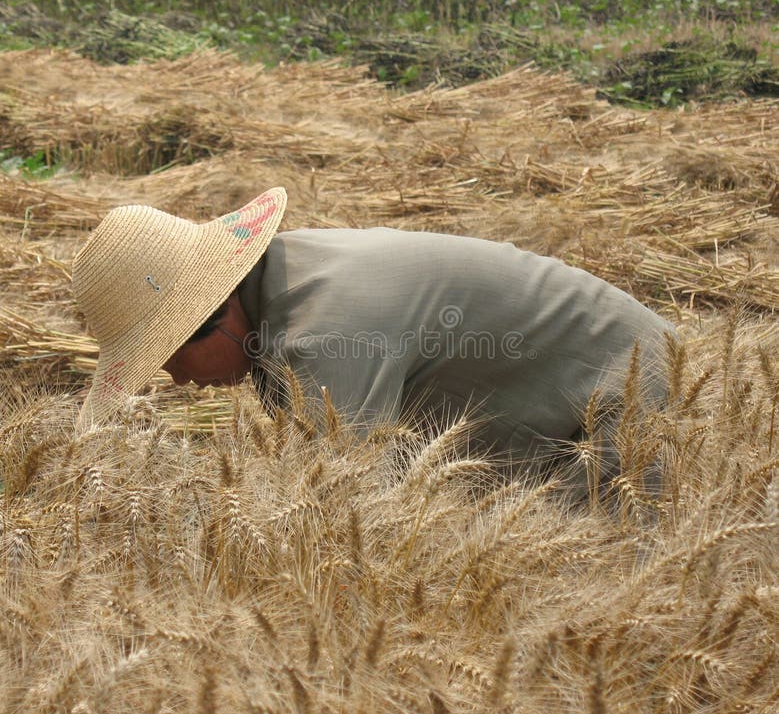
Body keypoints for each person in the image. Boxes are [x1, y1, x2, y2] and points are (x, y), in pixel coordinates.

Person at [73, 187, 675, 500]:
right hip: (581, 395)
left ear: (215, 313)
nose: (177, 380)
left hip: (632, 389)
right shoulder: (279, 284)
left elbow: (354, 507)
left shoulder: (323, 333)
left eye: (171, 354)